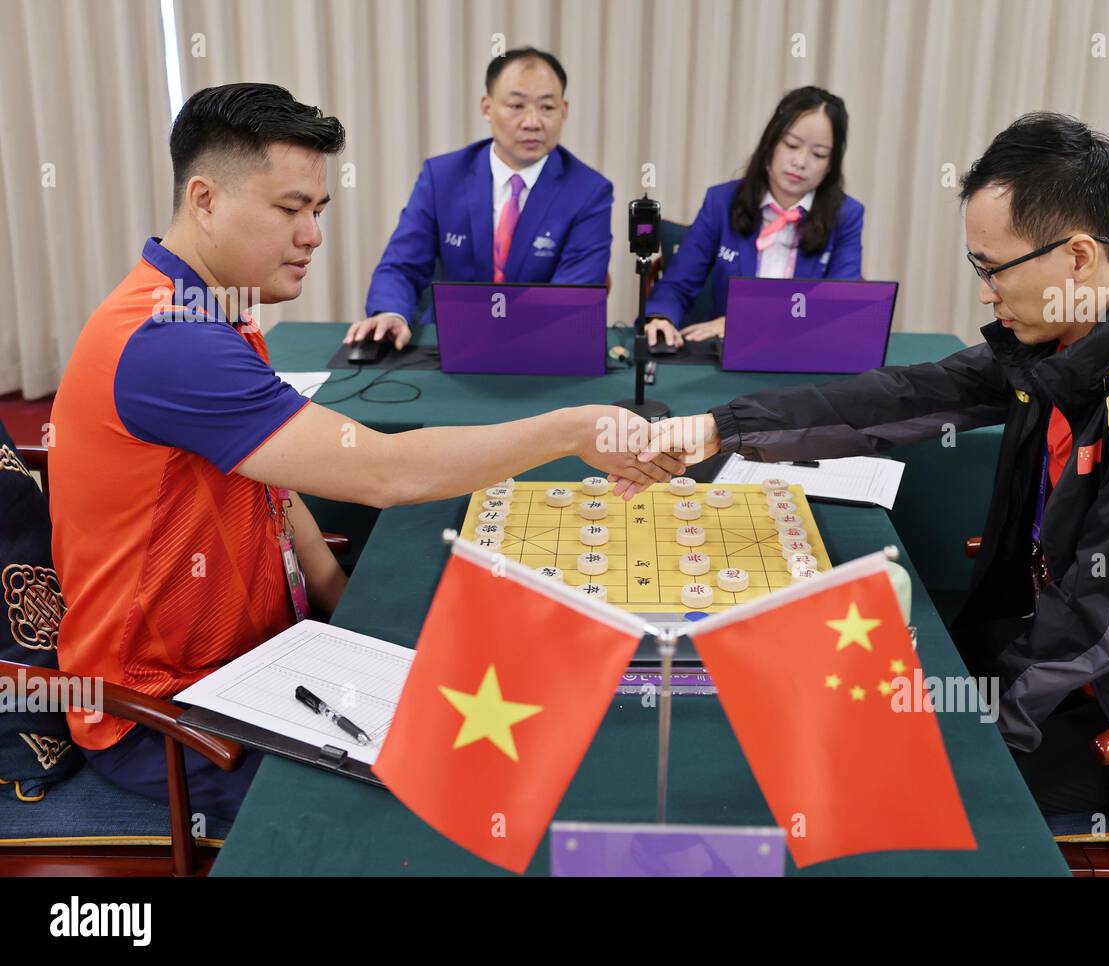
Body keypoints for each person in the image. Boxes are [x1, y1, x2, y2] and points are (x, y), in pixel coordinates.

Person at [627, 113, 1109, 837]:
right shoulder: (1075, 333)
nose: (983, 296)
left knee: (865, 789)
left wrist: (969, 735)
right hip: (1047, 653)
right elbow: (906, 397)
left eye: (991, 269)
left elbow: (1098, 612)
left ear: (1076, 258)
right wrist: (724, 429)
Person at [48, 83, 679, 821]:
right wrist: (570, 431)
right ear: (206, 199)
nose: (314, 235)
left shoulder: (210, 304)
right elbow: (385, 472)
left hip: (261, 655)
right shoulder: (167, 340)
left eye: (318, 211)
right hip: (164, 709)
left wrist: (345, 610)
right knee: (441, 800)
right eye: (291, 209)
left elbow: (273, 487)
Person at [349, 46, 614, 350]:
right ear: (487, 108)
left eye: (547, 108)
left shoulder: (589, 192)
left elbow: (571, 296)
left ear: (564, 111)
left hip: (539, 347)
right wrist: (391, 312)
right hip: (447, 343)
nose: (532, 122)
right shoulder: (442, 177)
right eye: (516, 106)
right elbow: (402, 265)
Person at [643, 86, 864, 347]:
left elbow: (838, 308)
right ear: (770, 144)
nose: (801, 162)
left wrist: (743, 323)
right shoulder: (721, 202)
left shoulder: (845, 215)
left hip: (802, 355)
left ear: (831, 165)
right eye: (792, 145)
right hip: (727, 356)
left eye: (819, 154)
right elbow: (678, 283)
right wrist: (661, 317)